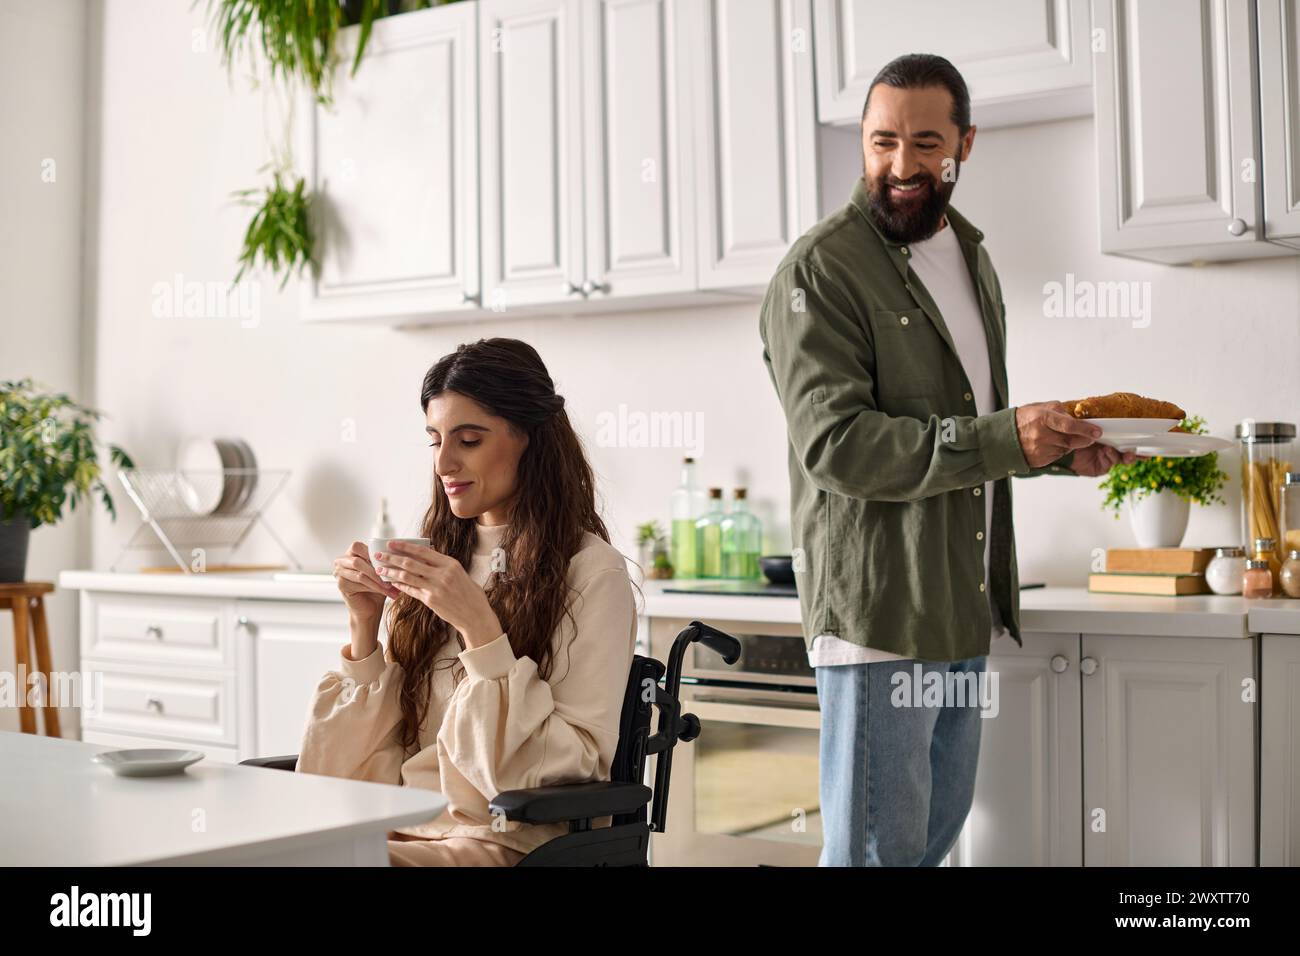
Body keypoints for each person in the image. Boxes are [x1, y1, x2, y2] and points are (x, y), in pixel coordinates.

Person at [758, 53, 1137, 866]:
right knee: (875, 855)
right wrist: (1007, 439)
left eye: (926, 144)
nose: (902, 165)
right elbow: (838, 446)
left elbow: (961, 427)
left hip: (961, 608)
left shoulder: (972, 259)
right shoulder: (820, 270)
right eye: (882, 141)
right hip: (880, 618)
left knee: (928, 845)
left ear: (966, 143)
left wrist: (1050, 455)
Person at [297, 337, 636, 866]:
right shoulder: (440, 555)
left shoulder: (593, 572)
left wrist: (480, 629)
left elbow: (576, 766)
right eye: (435, 441)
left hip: (499, 839)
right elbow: (360, 765)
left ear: (529, 438)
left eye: (469, 440)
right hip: (397, 822)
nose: (444, 463)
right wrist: (365, 628)